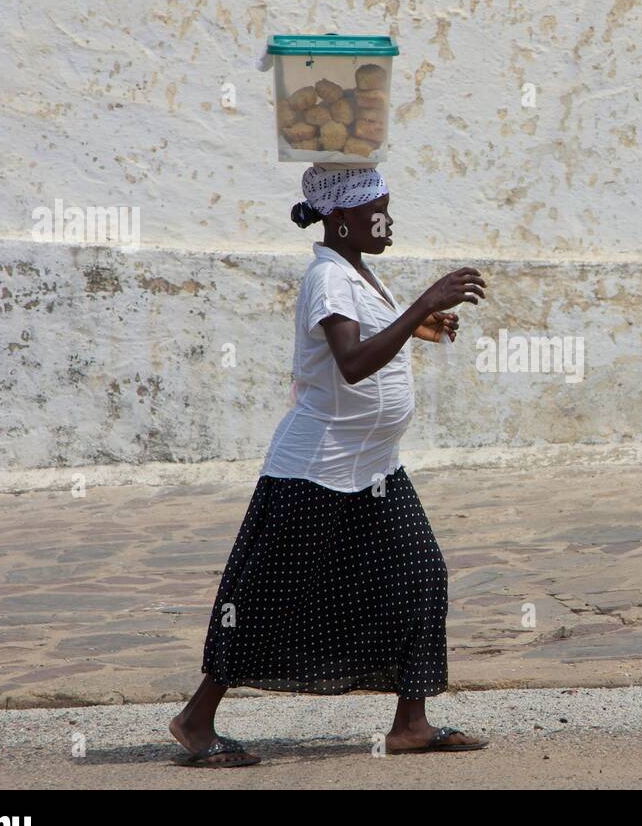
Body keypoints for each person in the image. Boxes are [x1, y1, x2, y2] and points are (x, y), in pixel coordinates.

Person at [169, 165, 488, 767]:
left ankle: (411, 725)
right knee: (263, 597)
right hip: (316, 469)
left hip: (373, 468)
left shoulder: (356, 272)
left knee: (422, 576)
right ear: (342, 220)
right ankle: (195, 719)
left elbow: (366, 332)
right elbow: (350, 360)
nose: (387, 221)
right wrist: (426, 298)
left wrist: (419, 323)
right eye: (379, 211)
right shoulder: (327, 278)